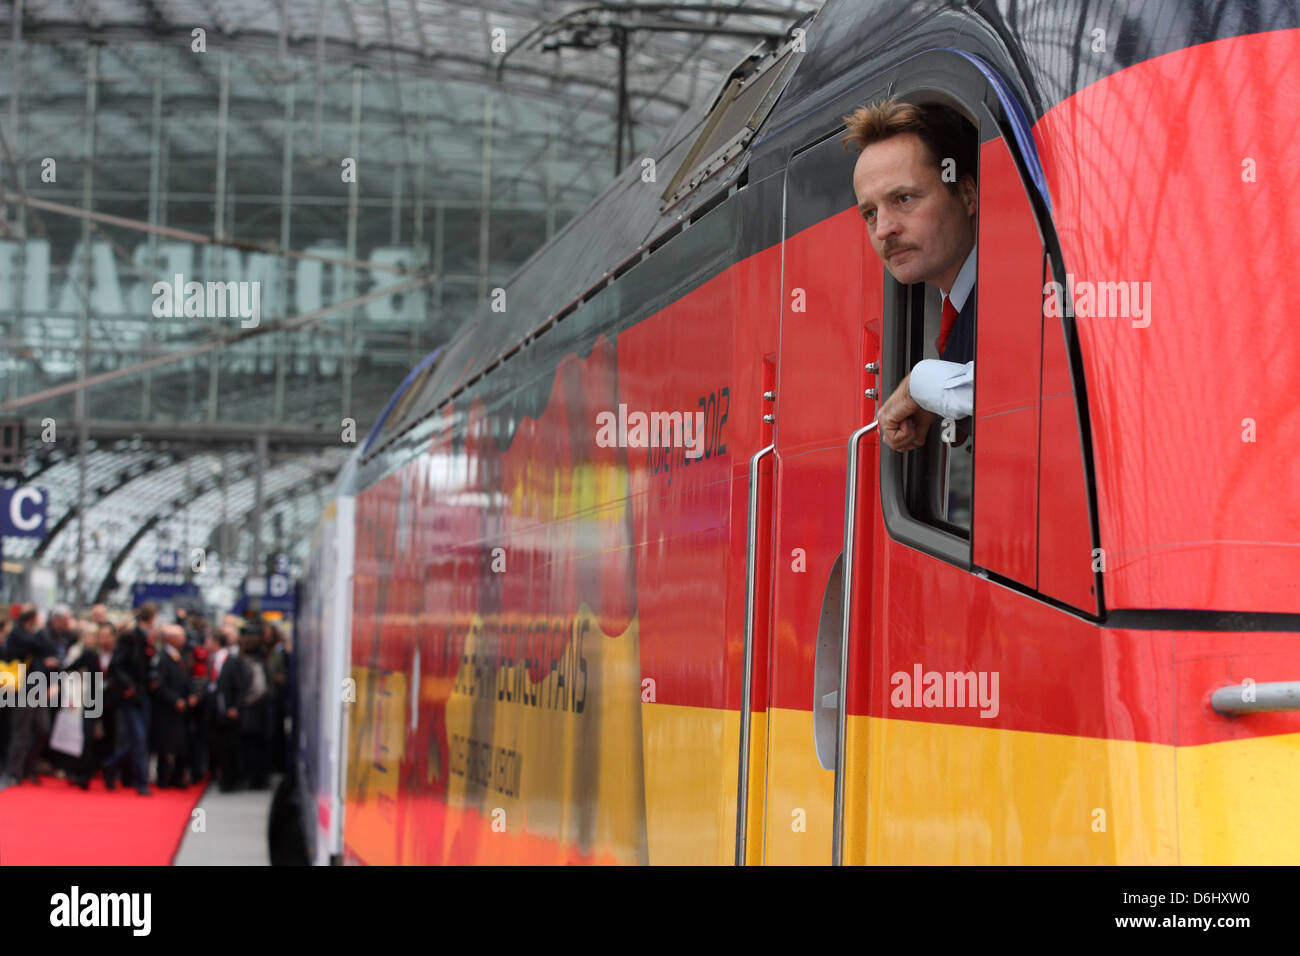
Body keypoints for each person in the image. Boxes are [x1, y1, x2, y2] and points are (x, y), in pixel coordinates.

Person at [845, 98, 978, 452]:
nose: (883, 229)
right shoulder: (961, 308)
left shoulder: (1029, 289)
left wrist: (918, 384)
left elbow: (1026, 382)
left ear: (967, 195)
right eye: (870, 213)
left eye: (903, 199)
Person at [0, 606, 59, 789]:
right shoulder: (18, 634)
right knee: (21, 732)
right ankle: (14, 772)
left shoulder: (27, 634)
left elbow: (49, 651)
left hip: (38, 687)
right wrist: (41, 629)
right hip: (23, 689)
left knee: (43, 729)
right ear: (32, 617)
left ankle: (28, 767)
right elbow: (43, 646)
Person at [103, 603, 158, 795]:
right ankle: (140, 782)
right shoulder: (131, 638)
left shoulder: (148, 639)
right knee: (139, 739)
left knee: (139, 740)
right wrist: (128, 686)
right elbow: (115, 666)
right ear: (150, 618)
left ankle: (110, 765)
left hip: (144, 694)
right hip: (130, 696)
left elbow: (146, 664)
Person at [152, 624, 190, 788]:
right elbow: (158, 684)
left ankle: (176, 777)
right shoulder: (162, 657)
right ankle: (162, 778)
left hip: (180, 707)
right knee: (164, 744)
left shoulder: (179, 655)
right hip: (165, 708)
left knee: (179, 744)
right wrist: (175, 699)